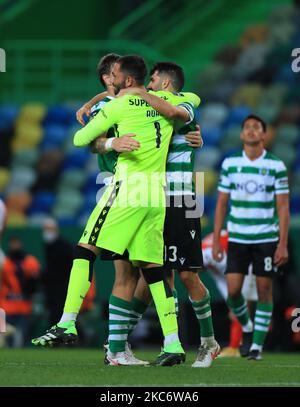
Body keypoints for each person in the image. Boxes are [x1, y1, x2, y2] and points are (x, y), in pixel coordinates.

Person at [32, 54, 197, 366]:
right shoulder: (174, 99)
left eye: (116, 75)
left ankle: (67, 322)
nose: (112, 80)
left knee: (85, 248)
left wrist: (111, 142)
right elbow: (182, 108)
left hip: (126, 190)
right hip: (155, 197)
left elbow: (81, 138)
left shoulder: (118, 106)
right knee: (152, 268)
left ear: (127, 80)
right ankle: (173, 344)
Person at [213, 114, 290, 360]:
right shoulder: (230, 164)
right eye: (247, 127)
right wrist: (216, 238)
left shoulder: (276, 165)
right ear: (241, 134)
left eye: (257, 127)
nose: (251, 131)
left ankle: (256, 346)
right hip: (237, 236)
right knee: (234, 291)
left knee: (264, 289)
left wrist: (283, 244)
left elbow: (283, 207)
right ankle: (247, 327)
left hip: (265, 237)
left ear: (264, 134)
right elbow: (222, 204)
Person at [202, 230, 257, 357]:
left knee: (240, 307)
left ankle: (236, 346)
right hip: (224, 267)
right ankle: (239, 344)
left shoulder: (213, 256)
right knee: (236, 308)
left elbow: (235, 271)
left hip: (246, 261)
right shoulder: (205, 255)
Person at [0, 236, 40, 347]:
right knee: (5, 339)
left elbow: (34, 284)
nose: (14, 246)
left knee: (21, 338)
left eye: (16, 244)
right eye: (12, 244)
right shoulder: (5, 262)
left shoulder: (30, 261)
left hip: (24, 306)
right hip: (7, 306)